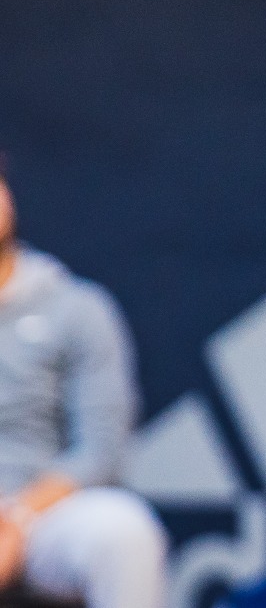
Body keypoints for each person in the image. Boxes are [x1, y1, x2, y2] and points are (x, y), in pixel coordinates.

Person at [0, 162, 167, 608]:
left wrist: (16, 519)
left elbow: (100, 452)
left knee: (123, 532)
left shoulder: (76, 308)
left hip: (39, 518)